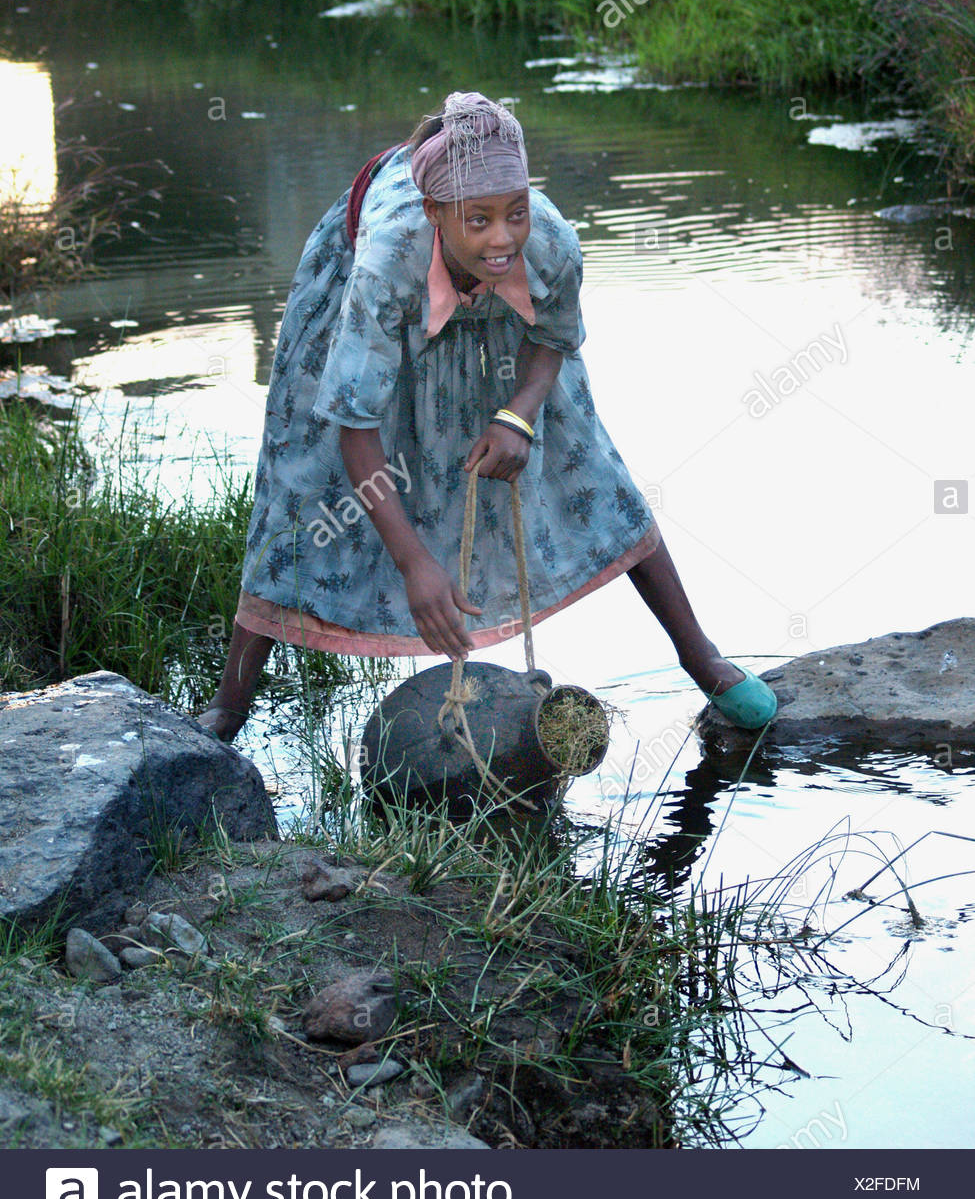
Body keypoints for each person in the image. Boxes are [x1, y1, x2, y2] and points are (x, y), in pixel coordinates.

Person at [197, 91, 776, 742]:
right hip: (377, 281)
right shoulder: (384, 266)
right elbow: (354, 426)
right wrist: (416, 562)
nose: (502, 238)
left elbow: (554, 340)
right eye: (479, 220)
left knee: (587, 464)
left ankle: (699, 656)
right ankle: (229, 706)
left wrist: (519, 414)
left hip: (505, 320)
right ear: (435, 214)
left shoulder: (549, 245)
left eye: (515, 213)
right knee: (304, 487)